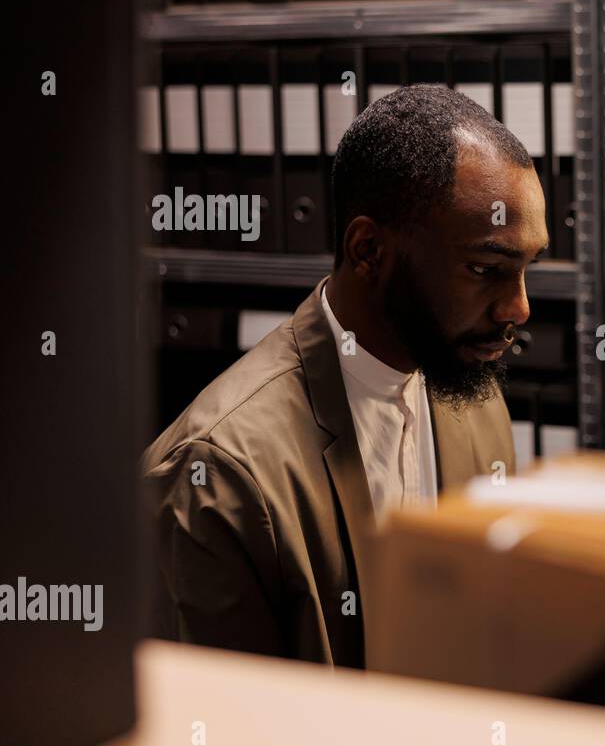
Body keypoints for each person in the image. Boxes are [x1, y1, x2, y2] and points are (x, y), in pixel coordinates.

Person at [141, 85, 550, 666]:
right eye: (486, 269)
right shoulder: (214, 477)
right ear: (368, 251)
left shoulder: (474, 396)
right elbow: (227, 739)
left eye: (527, 268)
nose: (519, 308)